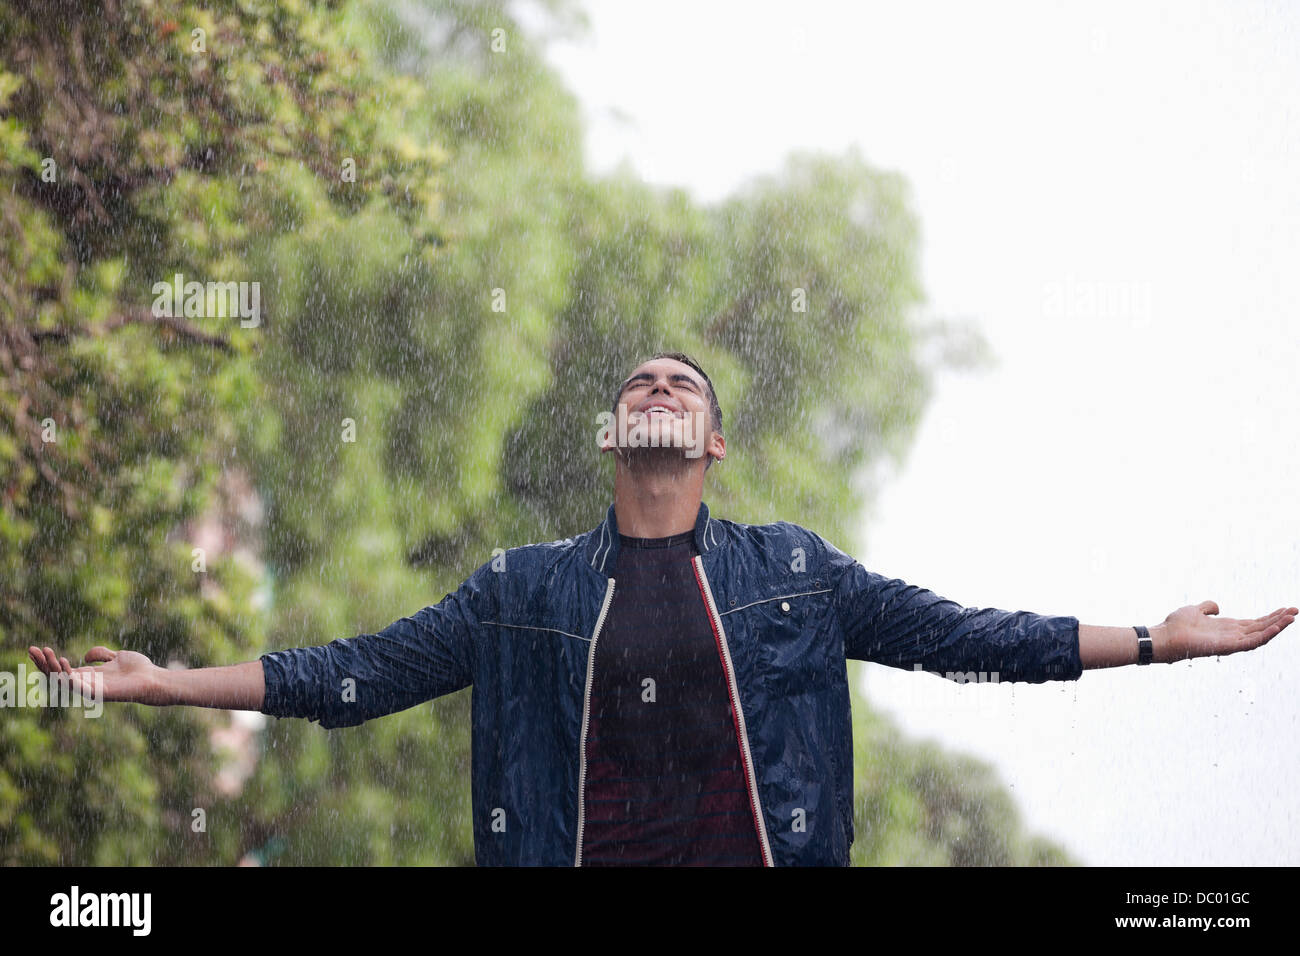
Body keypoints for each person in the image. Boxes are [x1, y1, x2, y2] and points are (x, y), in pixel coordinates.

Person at [28, 351, 1297, 866]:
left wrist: (1154, 640)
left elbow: (967, 636)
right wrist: (157, 680)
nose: (655, 381)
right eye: (639, 378)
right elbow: (349, 673)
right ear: (610, 433)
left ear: (713, 442)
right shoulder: (521, 589)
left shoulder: (795, 573)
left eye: (679, 381)